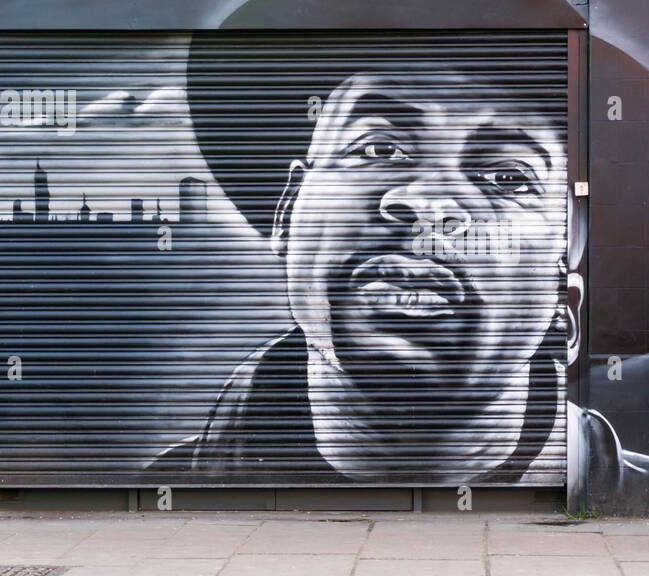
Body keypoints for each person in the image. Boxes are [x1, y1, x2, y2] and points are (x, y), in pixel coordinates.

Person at [152, 65, 576, 483]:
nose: (428, 202)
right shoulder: (164, 494)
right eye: (378, 150)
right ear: (288, 213)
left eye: (508, 178)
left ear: (567, 256)